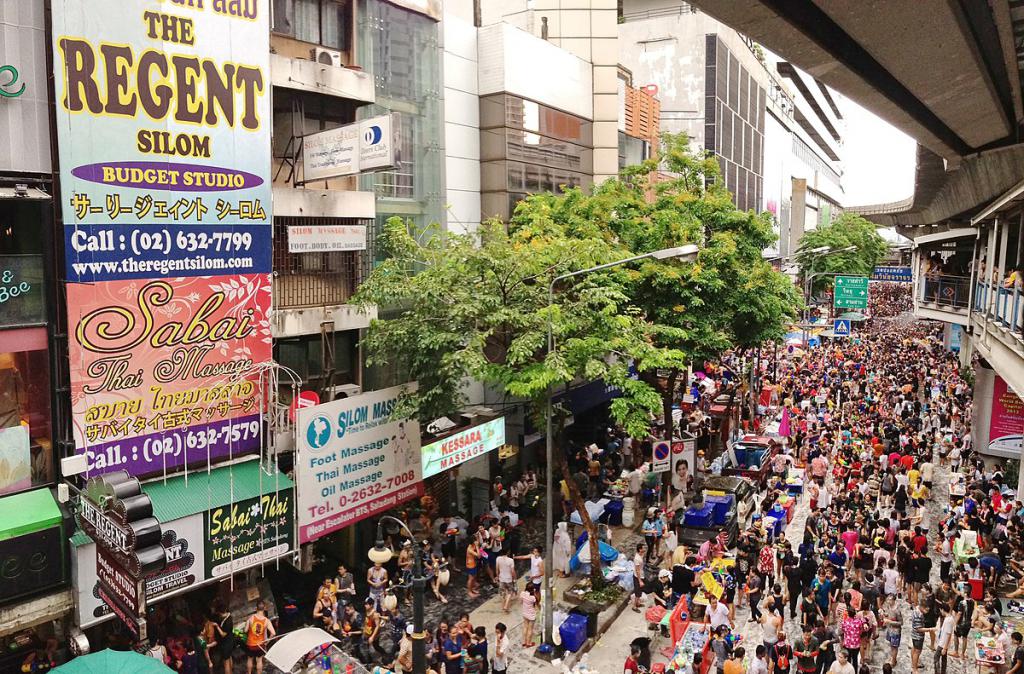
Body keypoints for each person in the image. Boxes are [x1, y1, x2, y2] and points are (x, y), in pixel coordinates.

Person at [244, 601, 274, 674]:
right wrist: (267, 642)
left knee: (250, 659)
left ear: (256, 608)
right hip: (260, 644)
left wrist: (247, 625)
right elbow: (273, 633)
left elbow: (245, 630)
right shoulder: (266, 620)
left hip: (250, 643)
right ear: (264, 608)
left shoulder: (251, 618)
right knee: (259, 660)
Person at [520, 583, 539, 648]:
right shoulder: (533, 597)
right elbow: (537, 604)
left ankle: (523, 642)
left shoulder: (522, 593)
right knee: (530, 629)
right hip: (531, 615)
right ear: (533, 589)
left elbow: (521, 602)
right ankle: (528, 643)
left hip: (524, 613)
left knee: (525, 627)